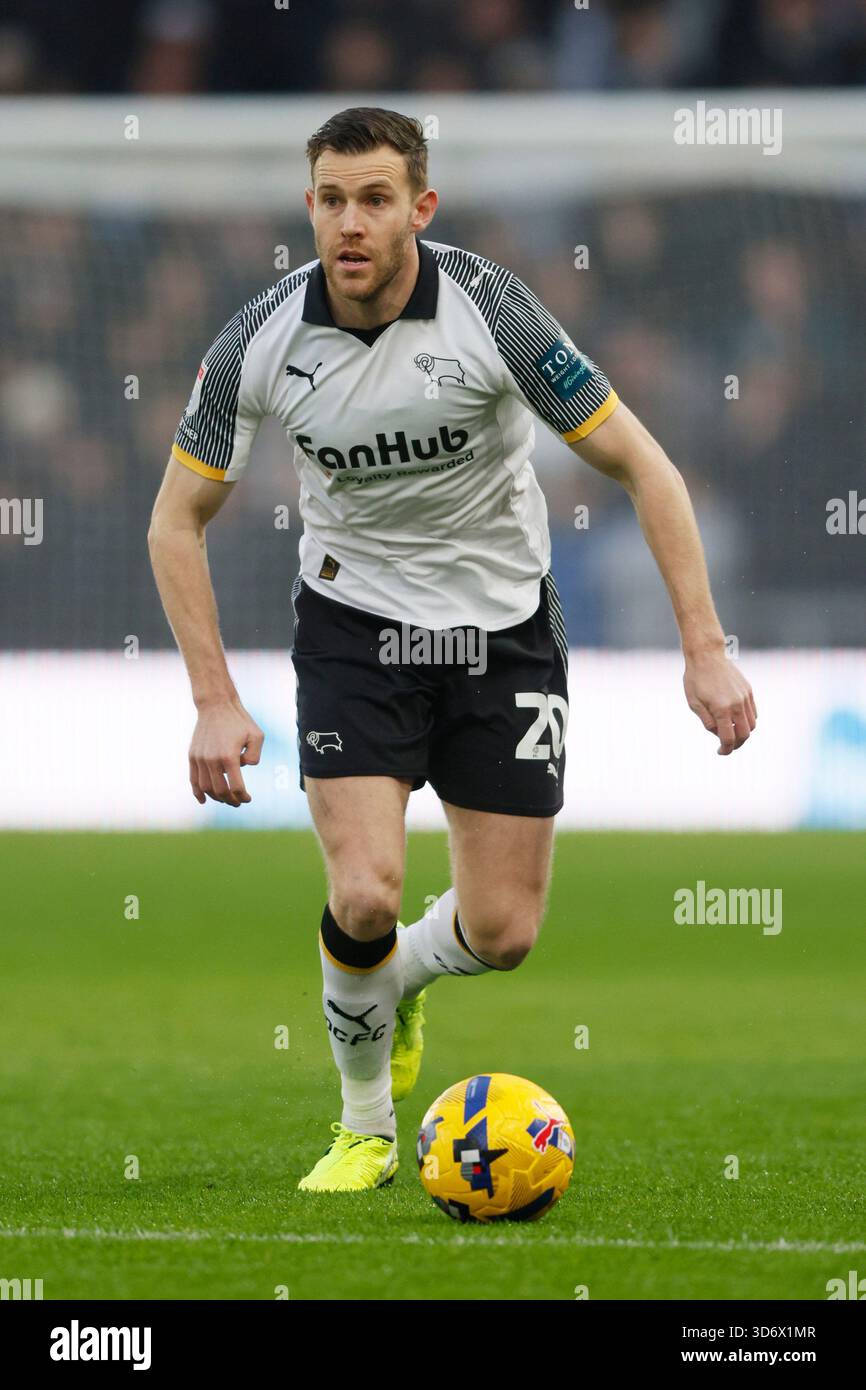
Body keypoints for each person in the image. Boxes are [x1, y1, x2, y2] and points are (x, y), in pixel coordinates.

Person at [147, 107, 756, 1192]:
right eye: (331, 200)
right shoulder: (259, 339)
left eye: (375, 199)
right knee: (367, 894)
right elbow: (173, 521)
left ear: (419, 209)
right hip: (352, 632)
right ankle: (366, 1124)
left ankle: (400, 982)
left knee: (504, 929)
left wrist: (702, 648)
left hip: (503, 632)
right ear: (309, 209)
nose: (351, 222)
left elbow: (644, 468)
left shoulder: (492, 311)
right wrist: (211, 699)